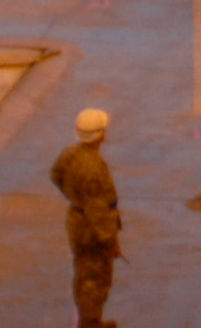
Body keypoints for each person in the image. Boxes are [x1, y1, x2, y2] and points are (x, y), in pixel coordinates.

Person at [51, 107, 123, 327]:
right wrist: (110, 243)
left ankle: (89, 320)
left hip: (77, 222)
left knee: (83, 272)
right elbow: (98, 213)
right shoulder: (93, 169)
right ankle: (91, 323)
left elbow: (56, 175)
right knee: (95, 279)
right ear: (100, 135)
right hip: (91, 232)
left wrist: (75, 197)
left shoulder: (71, 153)